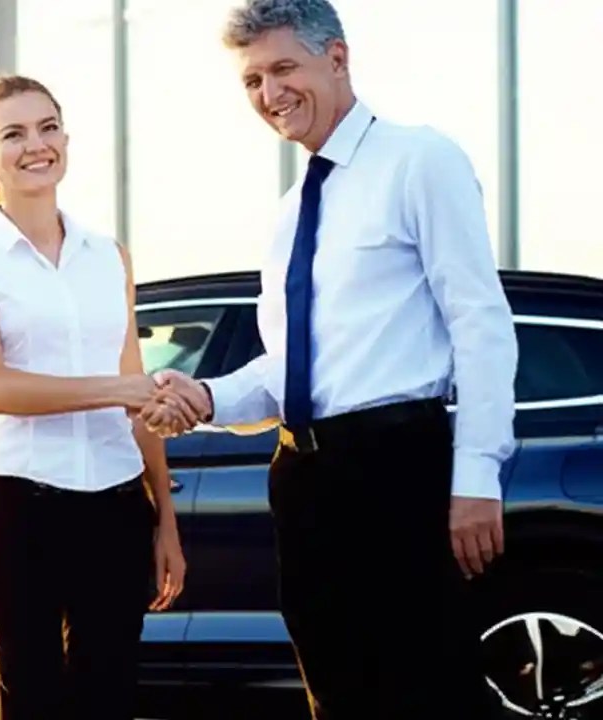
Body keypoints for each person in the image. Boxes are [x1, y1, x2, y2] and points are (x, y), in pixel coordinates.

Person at [144, 1, 516, 717]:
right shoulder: (289, 212)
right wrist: (207, 397)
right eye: (252, 80)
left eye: (284, 68)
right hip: (304, 481)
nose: (269, 93)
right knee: (337, 694)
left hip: (397, 467)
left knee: (427, 690)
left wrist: (476, 475)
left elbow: (480, 323)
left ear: (337, 58)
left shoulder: (420, 159)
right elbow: (288, 367)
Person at [0, 74, 203, 720]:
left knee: (107, 701)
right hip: (23, 512)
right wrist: (118, 390)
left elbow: (140, 403)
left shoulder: (108, 256)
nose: (37, 145)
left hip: (116, 511)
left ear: (66, 139)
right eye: (15, 134)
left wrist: (164, 518)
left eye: (49, 127)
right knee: (31, 705)